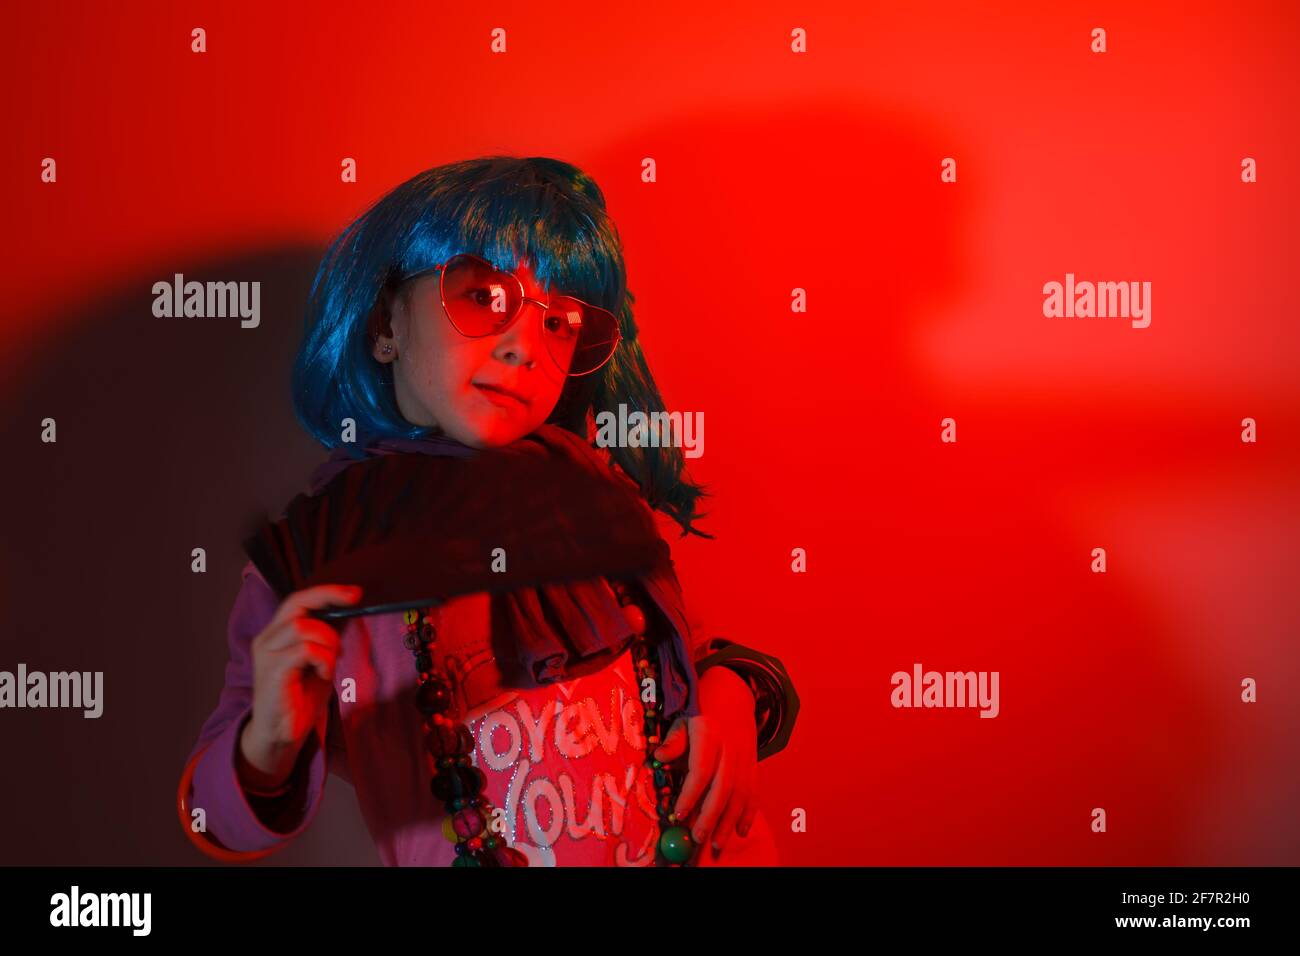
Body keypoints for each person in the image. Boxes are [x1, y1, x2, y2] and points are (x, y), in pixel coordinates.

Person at [178, 156, 787, 866]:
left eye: (558, 323)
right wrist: (269, 743)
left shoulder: (592, 494)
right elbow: (214, 818)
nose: (525, 347)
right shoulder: (321, 552)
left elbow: (681, 656)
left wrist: (734, 692)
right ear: (384, 324)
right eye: (482, 297)